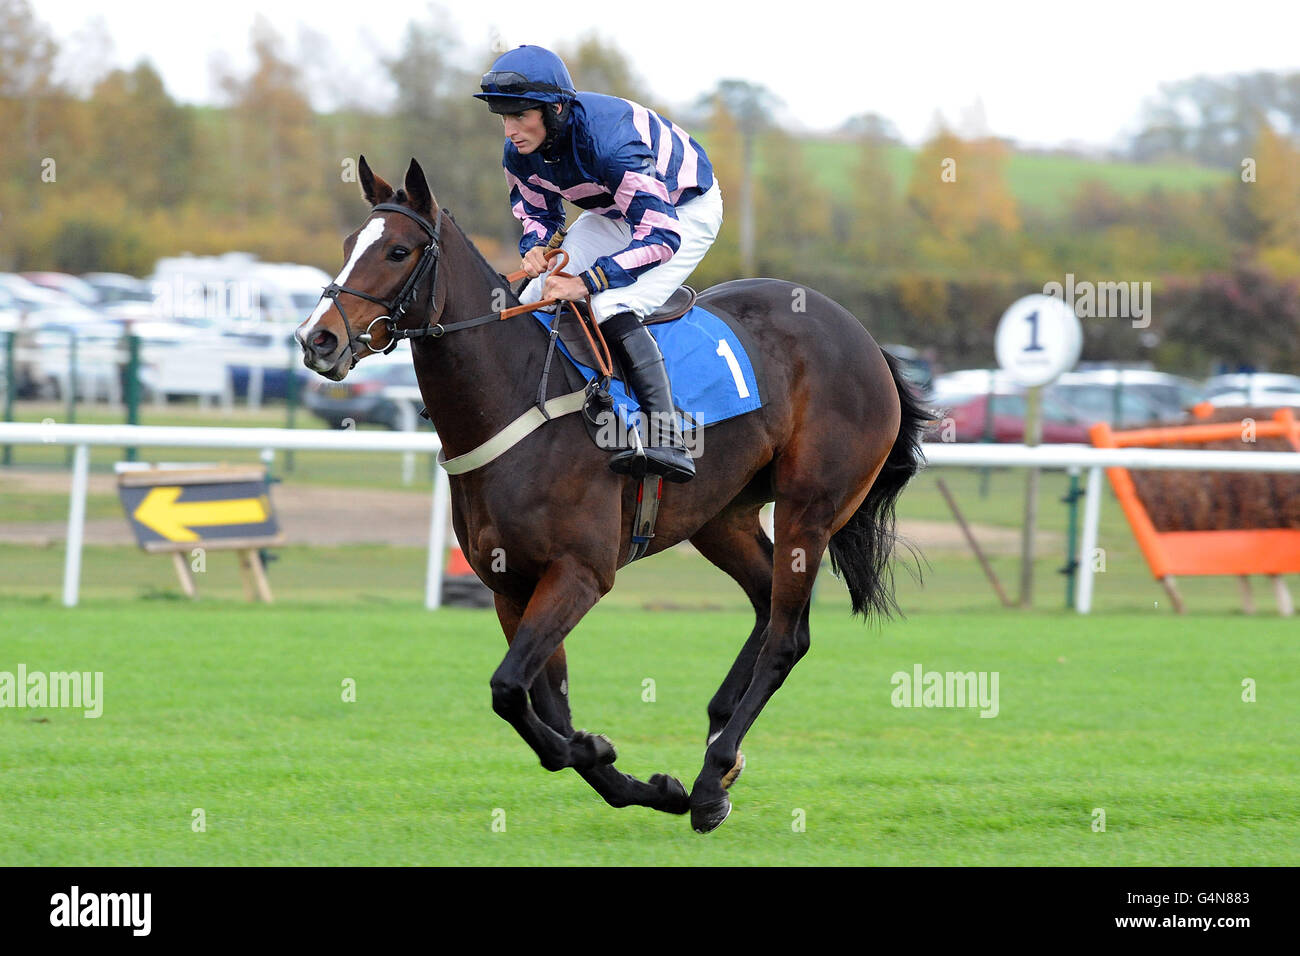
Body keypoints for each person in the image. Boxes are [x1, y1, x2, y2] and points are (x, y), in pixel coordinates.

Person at [474, 44, 723, 483]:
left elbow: (661, 236)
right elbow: (539, 213)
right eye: (503, 118)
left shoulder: (610, 145)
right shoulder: (519, 150)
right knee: (536, 293)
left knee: (610, 305)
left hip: (681, 213)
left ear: (553, 109)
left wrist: (587, 281)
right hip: (614, 212)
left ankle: (667, 436)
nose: (510, 130)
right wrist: (535, 246)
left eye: (519, 116)